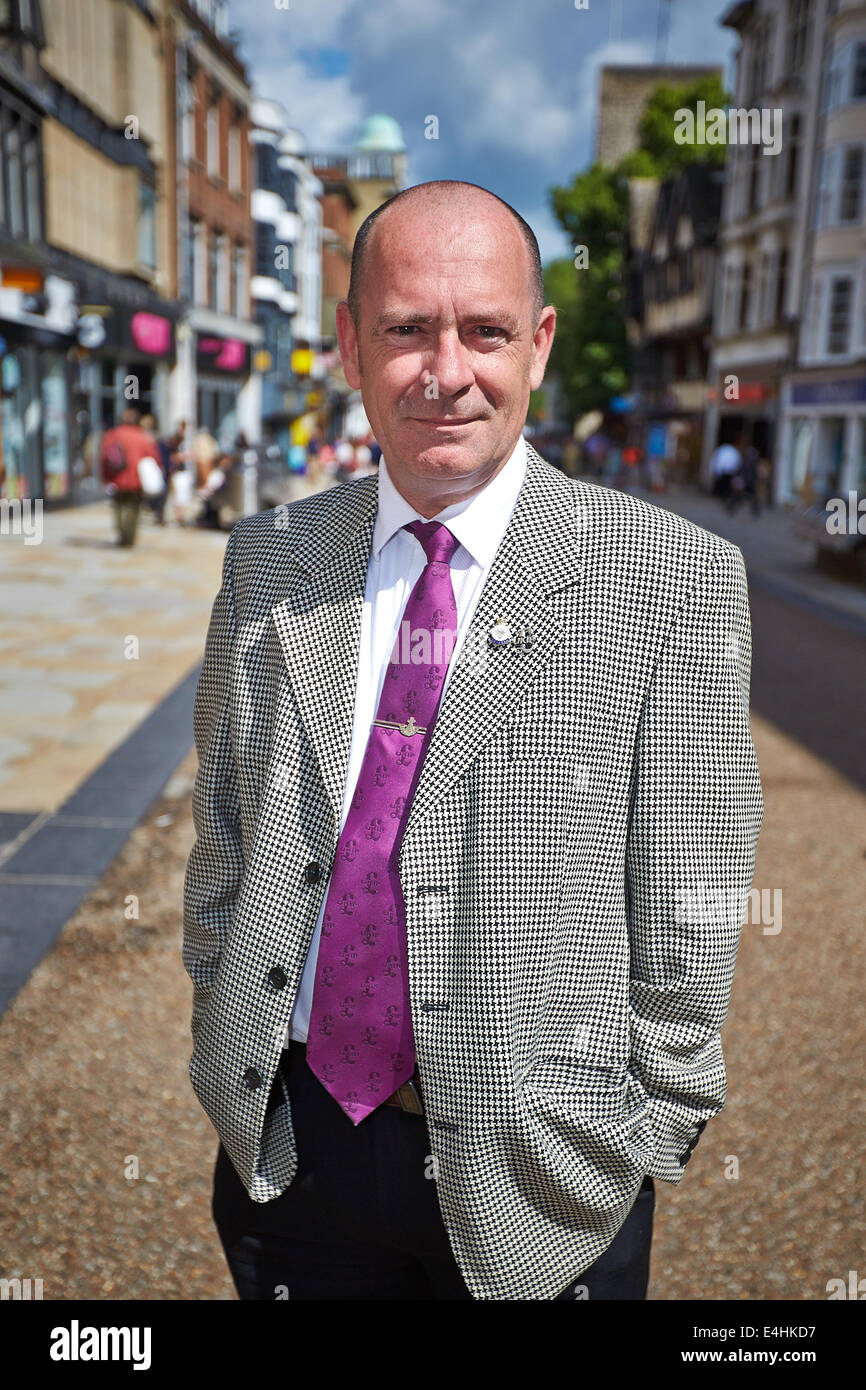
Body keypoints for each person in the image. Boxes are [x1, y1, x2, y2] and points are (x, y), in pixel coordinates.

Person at [183, 180, 764, 1302]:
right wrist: (219, 1005)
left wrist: (654, 1122)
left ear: (537, 345)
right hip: (292, 1150)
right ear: (350, 343)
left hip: (543, 1172)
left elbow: (691, 886)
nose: (444, 371)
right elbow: (226, 821)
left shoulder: (672, 577)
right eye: (405, 328)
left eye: (484, 330)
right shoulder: (268, 553)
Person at [98, 407, 159, 547]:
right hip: (136, 479)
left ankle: (122, 533)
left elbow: (104, 457)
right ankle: (128, 538)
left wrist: (105, 477)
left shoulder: (113, 435)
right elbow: (154, 457)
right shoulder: (143, 436)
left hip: (117, 478)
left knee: (119, 507)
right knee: (133, 508)